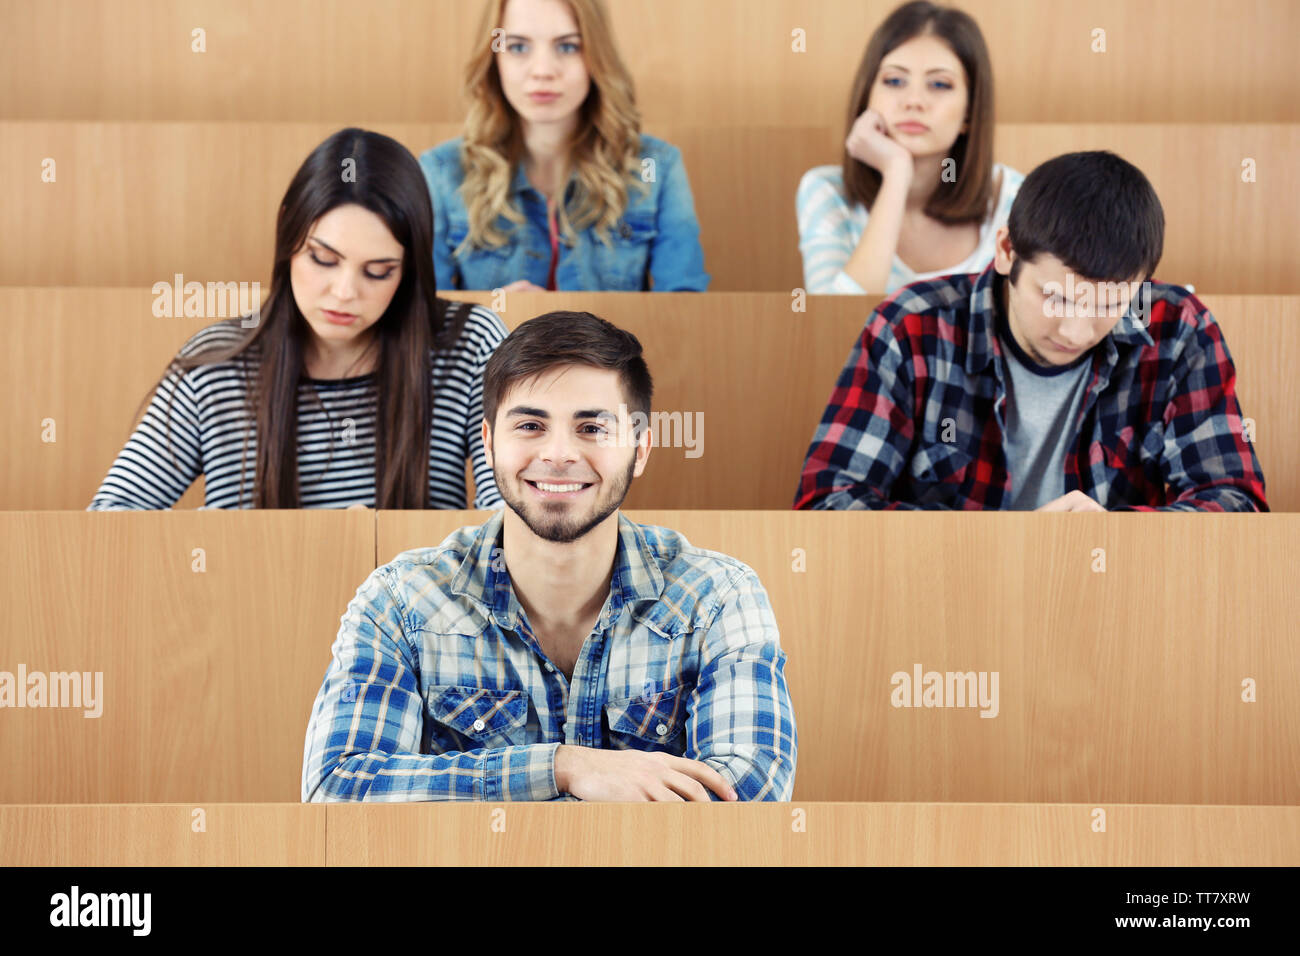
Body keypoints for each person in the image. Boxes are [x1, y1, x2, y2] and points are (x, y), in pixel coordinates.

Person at [302, 311, 796, 802]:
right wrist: (561, 767)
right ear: (490, 444)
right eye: (532, 425)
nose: (559, 453)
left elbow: (749, 795)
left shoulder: (717, 597)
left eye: (592, 428)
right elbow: (339, 789)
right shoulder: (401, 600)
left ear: (640, 450)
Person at [794, 150, 1267, 512]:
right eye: (1055, 297)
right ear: (1005, 251)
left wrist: (1121, 535)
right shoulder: (911, 327)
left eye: (1109, 304)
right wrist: (1000, 545)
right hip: (943, 605)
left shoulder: (1178, 329)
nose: (1076, 330)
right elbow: (829, 503)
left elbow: (1232, 501)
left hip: (1110, 602)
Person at [89, 128, 506, 510]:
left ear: (410, 267)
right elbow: (112, 523)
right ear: (289, 239)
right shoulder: (218, 364)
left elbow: (508, 522)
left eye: (378, 271)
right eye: (323, 259)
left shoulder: (468, 345)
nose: (344, 292)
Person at [419, 0, 709, 292]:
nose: (543, 71)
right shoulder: (442, 172)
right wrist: (490, 320)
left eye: (568, 47)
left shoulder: (655, 166)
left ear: (596, 57)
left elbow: (683, 304)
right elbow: (424, 317)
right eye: (518, 47)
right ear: (495, 59)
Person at [797, 0, 1021, 295]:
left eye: (940, 85)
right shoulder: (827, 191)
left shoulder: (1013, 199)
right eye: (894, 80)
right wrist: (896, 173)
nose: (913, 100)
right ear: (868, 97)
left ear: (969, 112)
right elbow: (837, 321)